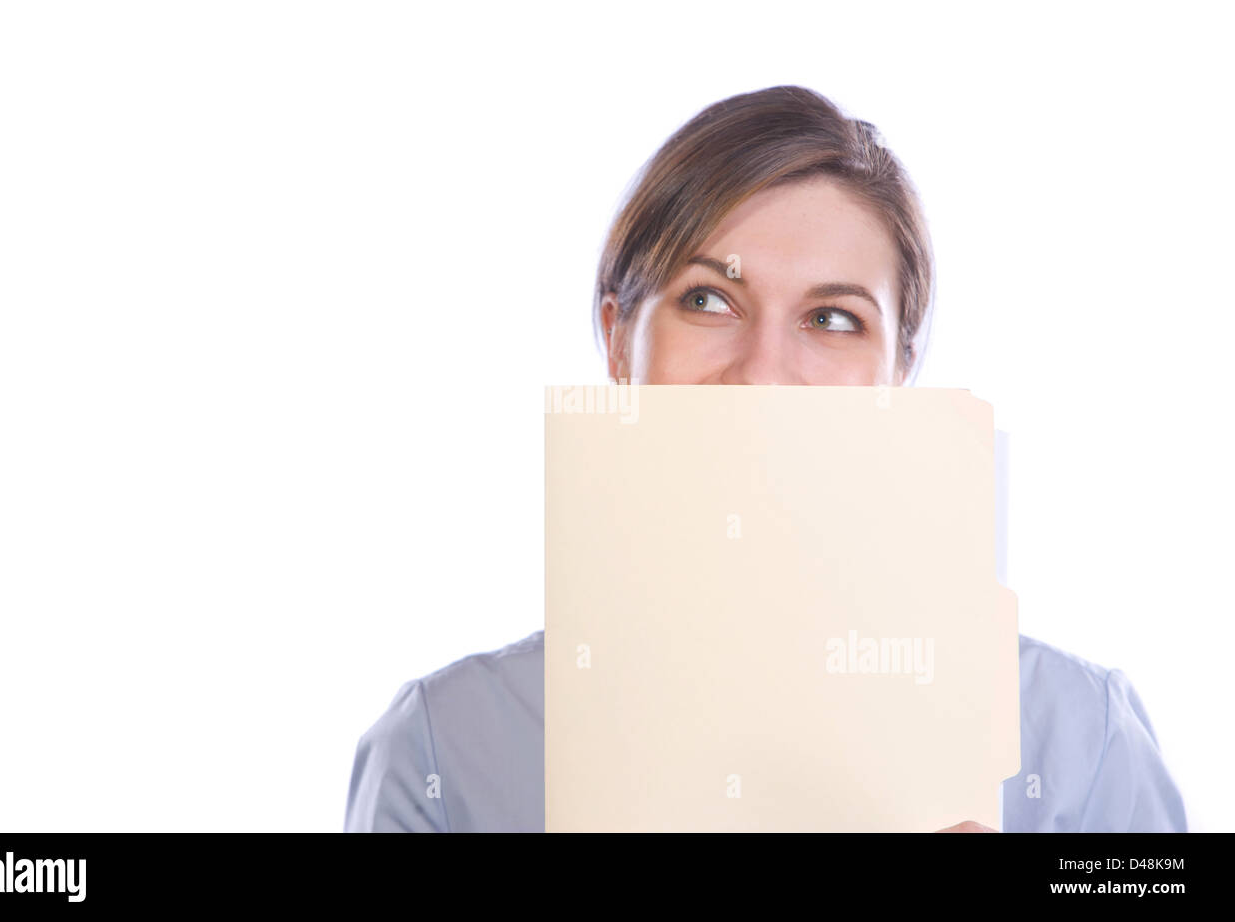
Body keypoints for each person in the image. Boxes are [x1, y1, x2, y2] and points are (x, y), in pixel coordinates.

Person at [343, 85, 1188, 833]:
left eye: (833, 319)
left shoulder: (1086, 742)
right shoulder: (445, 753)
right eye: (708, 299)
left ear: (900, 370)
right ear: (616, 342)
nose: (762, 372)